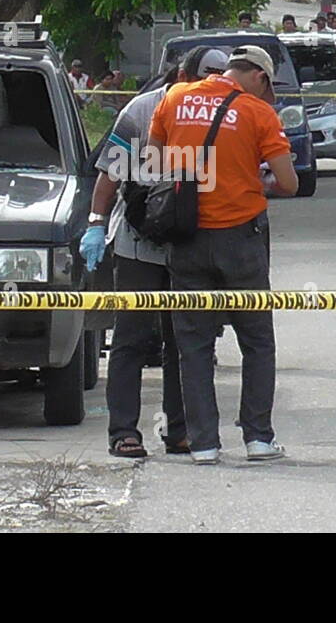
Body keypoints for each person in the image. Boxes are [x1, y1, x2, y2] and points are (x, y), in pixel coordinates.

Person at [147, 45, 297, 465]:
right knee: (257, 341)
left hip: (187, 237)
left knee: (192, 344)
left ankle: (204, 445)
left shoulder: (174, 98)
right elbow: (288, 183)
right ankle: (258, 439)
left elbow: (155, 162)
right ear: (260, 77)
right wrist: (250, 179)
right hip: (241, 239)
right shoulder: (257, 112)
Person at [80, 48, 229, 457]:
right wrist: (96, 222)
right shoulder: (142, 110)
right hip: (138, 244)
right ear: (182, 73)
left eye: (220, 77)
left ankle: (179, 429)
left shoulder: (225, 112)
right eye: (205, 76)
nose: (211, 86)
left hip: (193, 246)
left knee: (186, 341)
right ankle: (123, 431)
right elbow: (110, 171)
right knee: (131, 337)